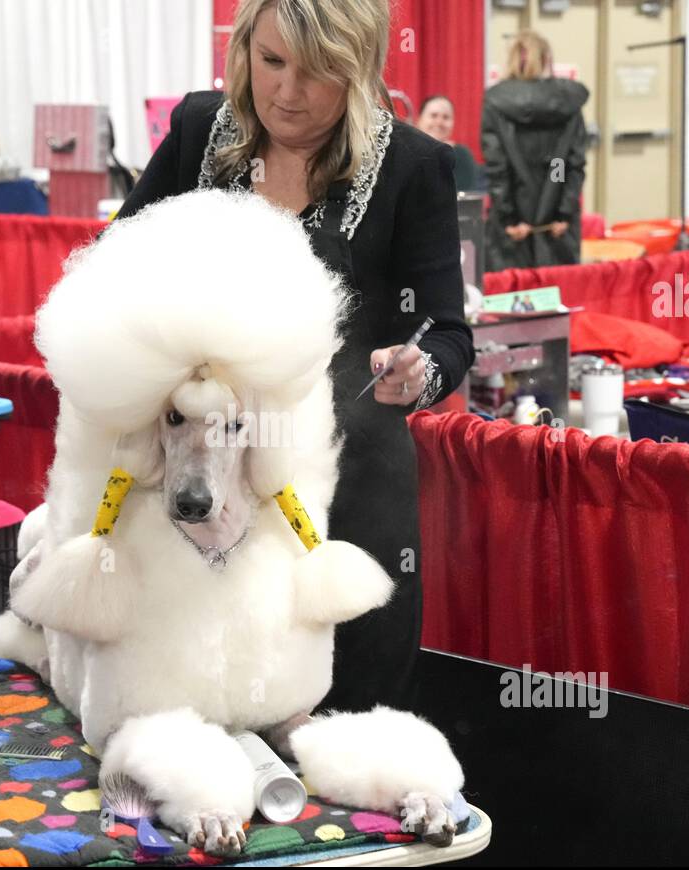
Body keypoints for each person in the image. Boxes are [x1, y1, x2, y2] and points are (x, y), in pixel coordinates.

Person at [116, 0, 473, 714]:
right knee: (200, 699)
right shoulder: (196, 136)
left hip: (352, 485)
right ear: (243, 47)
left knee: (352, 713)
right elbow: (113, 265)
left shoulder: (413, 167)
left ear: (359, 68)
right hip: (200, 477)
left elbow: (449, 335)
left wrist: (419, 370)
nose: (285, 92)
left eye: (316, 73)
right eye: (271, 61)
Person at [481, 30, 588, 271]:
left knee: (512, 303)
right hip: (558, 228)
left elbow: (499, 168)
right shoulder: (569, 102)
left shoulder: (496, 102)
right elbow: (570, 165)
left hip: (514, 229)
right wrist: (563, 213)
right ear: (546, 58)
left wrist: (510, 218)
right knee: (559, 301)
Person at [417, 94, 481, 192]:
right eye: (433, 115)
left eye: (446, 117)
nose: (439, 122)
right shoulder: (407, 151)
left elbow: (464, 194)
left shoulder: (461, 155)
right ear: (419, 119)